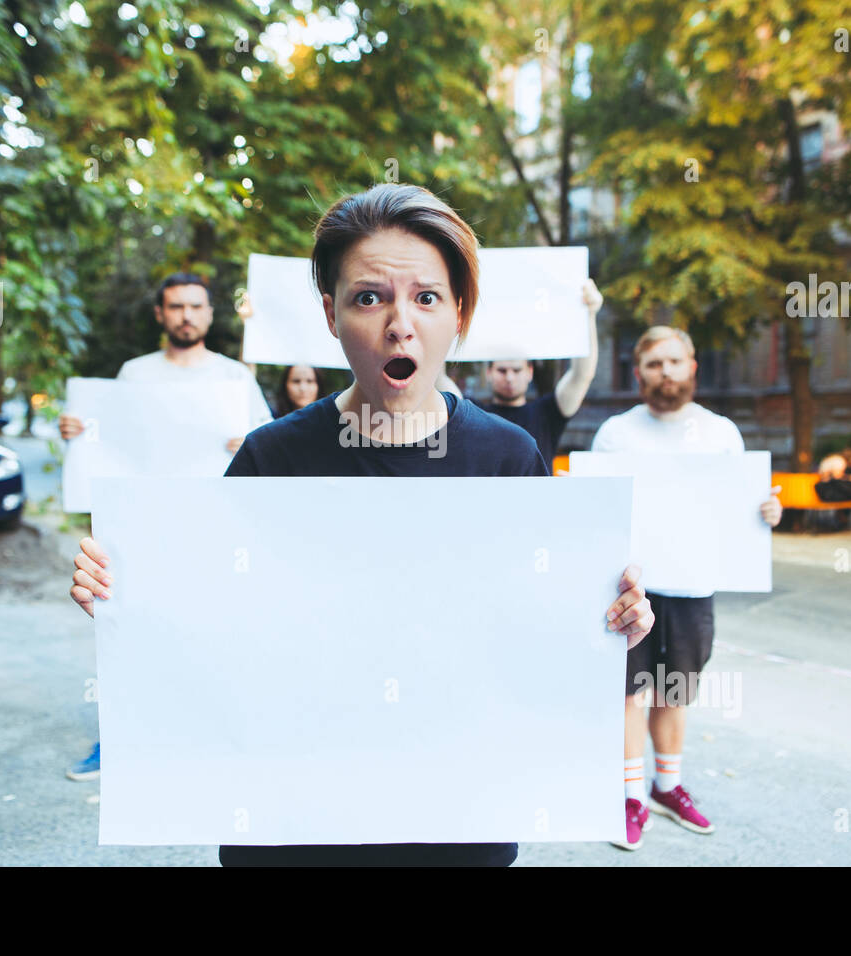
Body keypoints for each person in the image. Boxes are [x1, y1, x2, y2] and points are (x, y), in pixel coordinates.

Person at [68, 183, 656, 866]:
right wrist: (121, 592)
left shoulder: (508, 457)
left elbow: (536, 632)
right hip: (293, 822)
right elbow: (211, 621)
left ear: (459, 315)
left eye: (427, 298)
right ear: (330, 313)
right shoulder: (273, 456)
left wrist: (609, 618)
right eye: (370, 297)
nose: (400, 323)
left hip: (457, 817)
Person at [58, 272, 274, 781]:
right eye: (176, 307)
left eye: (195, 306)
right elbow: (109, 438)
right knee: (131, 627)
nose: (186, 316)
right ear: (161, 314)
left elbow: (266, 442)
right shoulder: (135, 374)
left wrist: (246, 443)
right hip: (145, 524)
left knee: (213, 628)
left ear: (208, 312)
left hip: (216, 525)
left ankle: (209, 735)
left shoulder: (232, 379)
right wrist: (76, 431)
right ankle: (118, 740)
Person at [590, 325, 783, 851]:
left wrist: (767, 511)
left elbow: (741, 510)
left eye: (674, 361)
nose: (666, 372)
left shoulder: (722, 434)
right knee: (629, 692)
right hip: (630, 590)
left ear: (692, 367)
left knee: (675, 691)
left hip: (694, 585)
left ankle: (667, 787)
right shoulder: (614, 434)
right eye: (654, 364)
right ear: (639, 373)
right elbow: (598, 516)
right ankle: (631, 796)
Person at [440, 279, 602, 470]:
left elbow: (581, 376)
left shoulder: (548, 413)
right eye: (502, 370)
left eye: (516, 370)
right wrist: (444, 313)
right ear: (489, 373)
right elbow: (438, 378)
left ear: (530, 372)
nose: (509, 377)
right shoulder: (470, 411)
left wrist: (588, 315)